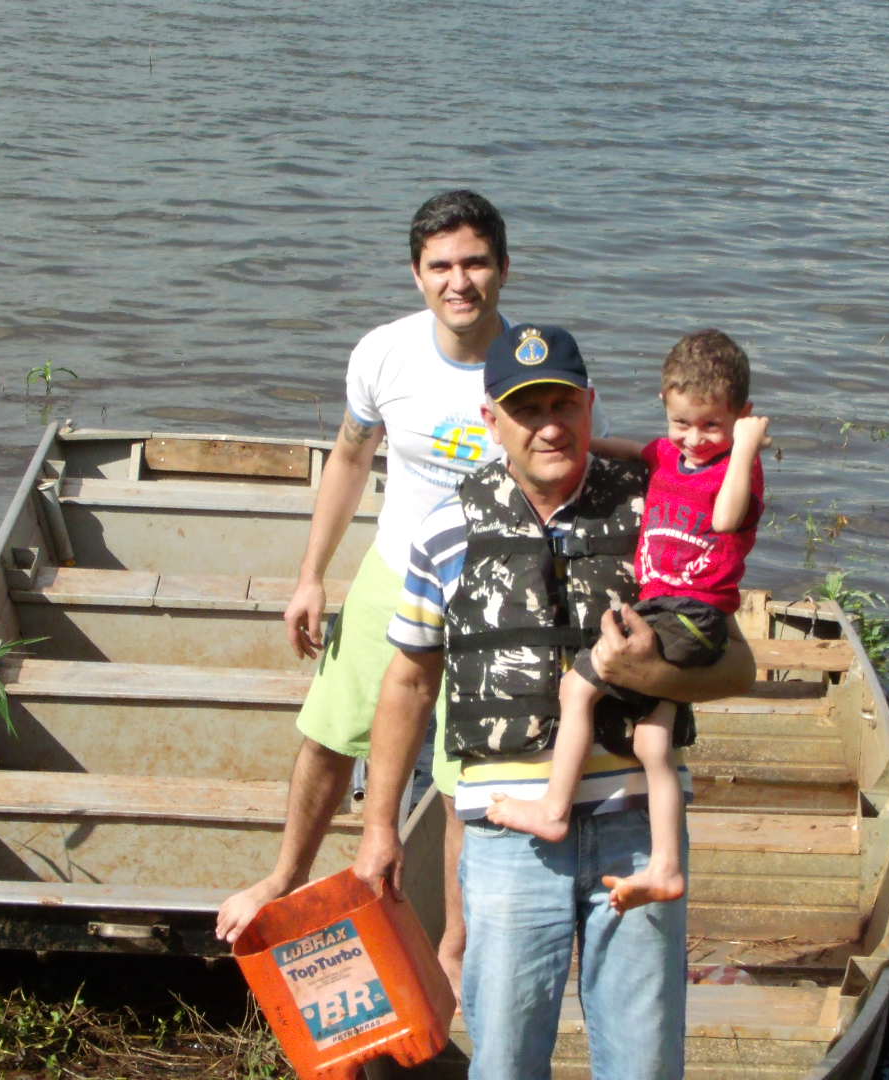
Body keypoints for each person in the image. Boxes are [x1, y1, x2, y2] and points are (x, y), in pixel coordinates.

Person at [352, 323, 756, 1078]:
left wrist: (651, 675)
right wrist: (381, 827)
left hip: (635, 831)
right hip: (507, 846)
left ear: (591, 407)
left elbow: (738, 667)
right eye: (526, 407)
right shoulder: (444, 528)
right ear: (490, 420)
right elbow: (408, 680)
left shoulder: (659, 513)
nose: (548, 425)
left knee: (642, 1064)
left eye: (563, 404)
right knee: (503, 1061)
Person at [213, 191, 512, 986]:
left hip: (489, 595)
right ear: (416, 274)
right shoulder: (384, 353)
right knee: (326, 735)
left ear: (504, 269)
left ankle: (452, 949)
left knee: (461, 781)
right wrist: (311, 576)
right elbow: (350, 458)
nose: (460, 281)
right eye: (441, 265)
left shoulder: (529, 362)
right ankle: (285, 875)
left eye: (475, 262)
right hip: (394, 570)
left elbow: (564, 471)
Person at [485, 329, 767, 914]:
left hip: (689, 612)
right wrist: (582, 451)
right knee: (653, 742)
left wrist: (742, 448)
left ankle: (553, 809)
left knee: (576, 685)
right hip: (667, 610)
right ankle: (665, 866)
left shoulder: (734, 470)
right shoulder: (671, 455)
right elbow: (633, 451)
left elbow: (727, 514)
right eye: (681, 424)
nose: (693, 440)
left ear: (740, 417)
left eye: (711, 426)